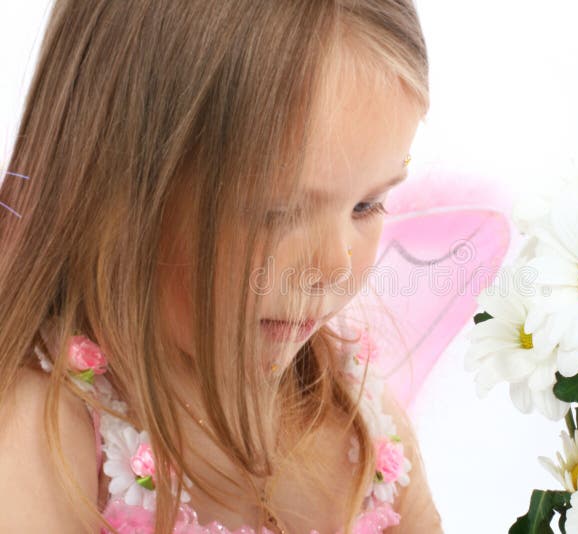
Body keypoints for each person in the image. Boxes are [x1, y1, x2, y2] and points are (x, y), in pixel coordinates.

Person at [0, 1, 443, 532]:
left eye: (366, 206)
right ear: (120, 190)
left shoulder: (360, 424)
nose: (333, 267)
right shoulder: (44, 431)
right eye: (278, 214)